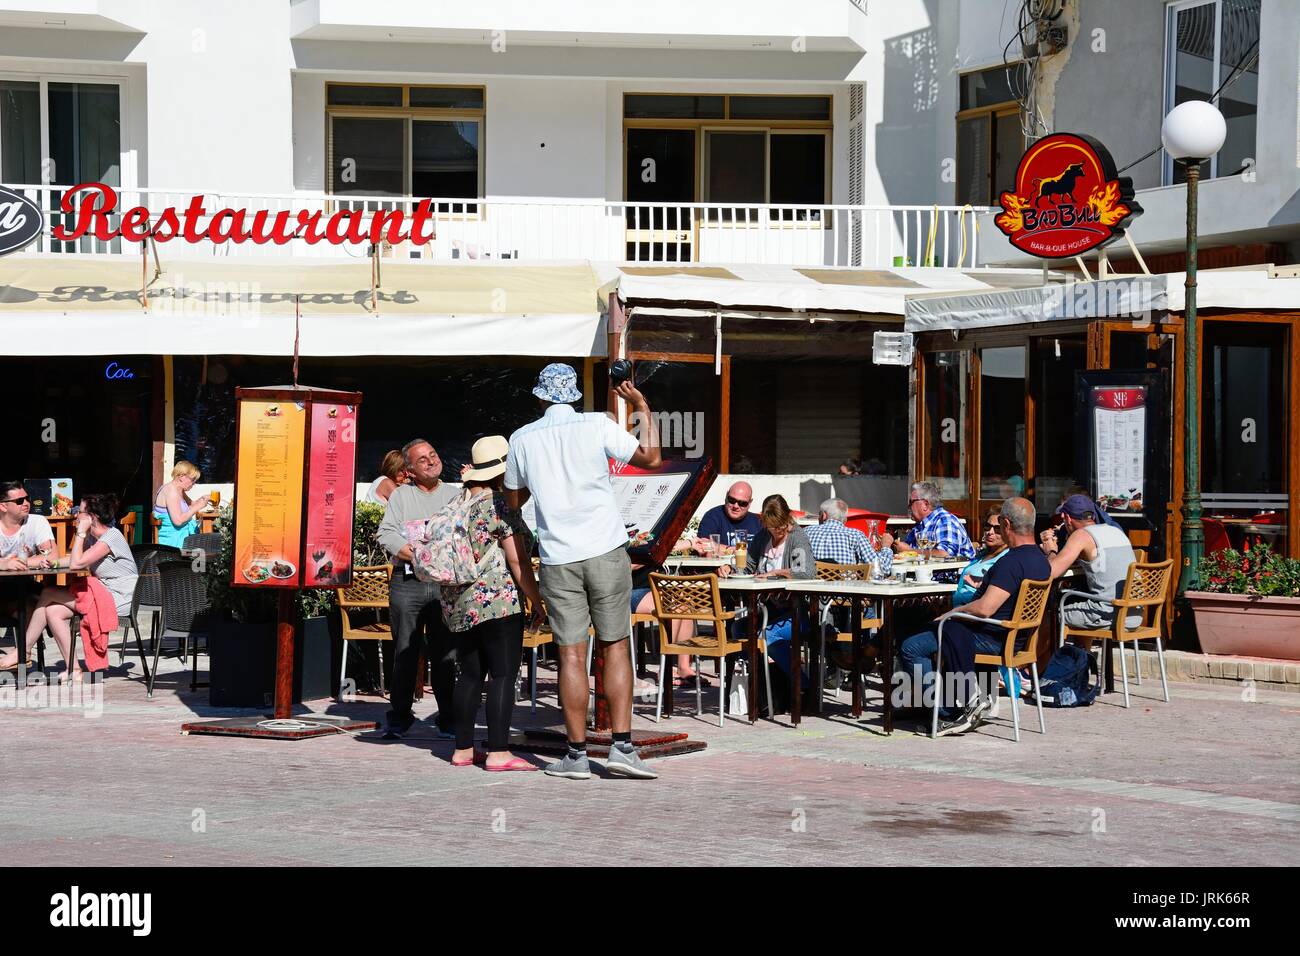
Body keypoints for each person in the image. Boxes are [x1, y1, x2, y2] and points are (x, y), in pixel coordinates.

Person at [504, 362, 662, 780]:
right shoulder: (597, 423)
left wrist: (529, 580)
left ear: (540, 397)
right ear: (574, 395)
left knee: (570, 654)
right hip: (605, 547)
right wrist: (641, 405)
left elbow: (513, 507)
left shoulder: (522, 439)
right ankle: (622, 748)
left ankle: (575, 756)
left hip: (558, 556)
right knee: (615, 646)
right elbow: (651, 457)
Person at [898, 498, 1049, 736]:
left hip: (993, 636)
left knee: (911, 645)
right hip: (1016, 637)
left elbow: (985, 609)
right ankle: (942, 704)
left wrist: (952, 613)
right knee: (935, 630)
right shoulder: (1040, 560)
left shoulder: (1012, 562)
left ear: (1006, 524)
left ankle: (947, 711)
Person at [440, 436, 546, 771]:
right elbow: (517, 563)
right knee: (502, 675)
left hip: (459, 603)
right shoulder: (500, 506)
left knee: (469, 675)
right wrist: (538, 601)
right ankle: (499, 752)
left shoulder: (458, 503)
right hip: (497, 602)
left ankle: (462, 749)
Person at [0, 494, 137, 681]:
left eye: (78, 512)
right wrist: (53, 563)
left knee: (48, 592)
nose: (75, 515)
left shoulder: (111, 536)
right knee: (53, 610)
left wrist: (80, 533)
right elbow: (75, 560)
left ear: (91, 517)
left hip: (121, 598)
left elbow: (77, 563)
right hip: (104, 592)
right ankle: (74, 669)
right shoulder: (94, 538)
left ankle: (23, 650)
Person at [376, 439, 461, 740]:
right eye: (421, 459)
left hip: (445, 586)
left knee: (446, 655)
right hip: (408, 584)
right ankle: (399, 718)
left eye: (433, 455)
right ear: (409, 470)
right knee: (404, 651)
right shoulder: (401, 496)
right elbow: (385, 533)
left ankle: (448, 718)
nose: (430, 461)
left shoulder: (457, 495)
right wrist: (415, 555)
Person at [719, 494, 815, 698]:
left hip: (796, 612)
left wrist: (777, 573)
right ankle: (757, 683)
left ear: (787, 519)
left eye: (779, 527)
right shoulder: (763, 537)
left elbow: (806, 572)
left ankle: (804, 686)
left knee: (767, 635)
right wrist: (731, 568)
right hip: (769, 609)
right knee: (739, 627)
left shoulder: (797, 536)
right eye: (771, 527)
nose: (775, 531)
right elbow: (749, 567)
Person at [1042, 493, 1140, 640]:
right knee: (1080, 602)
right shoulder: (1116, 531)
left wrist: (1050, 550)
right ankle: (1084, 658)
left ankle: (1053, 662)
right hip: (1134, 615)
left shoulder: (1081, 535)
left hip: (1106, 614)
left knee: (1049, 615)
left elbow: (1051, 572)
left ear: (1066, 518)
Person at [888, 481, 975, 561]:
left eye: (911, 502)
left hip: (948, 576)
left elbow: (945, 554)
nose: (909, 507)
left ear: (925, 505)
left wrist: (909, 551)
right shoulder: (919, 527)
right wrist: (891, 545)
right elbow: (906, 552)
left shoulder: (945, 520)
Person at [806, 498, 894, 573]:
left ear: (823, 515)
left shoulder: (806, 532)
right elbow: (882, 569)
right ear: (845, 520)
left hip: (812, 590)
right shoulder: (856, 535)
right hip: (845, 590)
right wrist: (886, 546)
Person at [952, 507, 1008, 606]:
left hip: (971, 614)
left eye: (997, 529)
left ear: (1007, 531)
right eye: (987, 526)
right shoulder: (983, 554)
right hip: (958, 608)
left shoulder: (1005, 559)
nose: (990, 532)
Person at [153, 460, 214, 548]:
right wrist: (197, 507)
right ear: (181, 476)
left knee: (209, 543)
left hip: (180, 537)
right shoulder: (171, 492)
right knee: (210, 544)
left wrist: (203, 499)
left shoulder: (178, 489)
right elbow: (178, 521)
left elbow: (191, 505)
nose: (194, 483)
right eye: (192, 480)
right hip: (172, 543)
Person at [0, 480, 58, 572]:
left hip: (26, 581)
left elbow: (52, 556)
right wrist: (4, 564)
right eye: (20, 501)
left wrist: (19, 563)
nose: (26, 503)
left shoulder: (37, 521)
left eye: (27, 498)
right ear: (3, 506)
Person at [693, 481, 762, 551]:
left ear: (750, 503)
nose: (736, 506)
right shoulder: (713, 516)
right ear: (726, 496)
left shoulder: (758, 522)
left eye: (742, 503)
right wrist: (729, 550)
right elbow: (703, 544)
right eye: (732, 500)